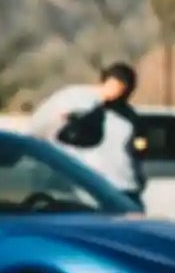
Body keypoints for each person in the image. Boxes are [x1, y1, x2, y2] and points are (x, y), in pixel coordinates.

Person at [31, 62, 146, 207]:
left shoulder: (129, 117)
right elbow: (38, 131)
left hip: (123, 187)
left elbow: (138, 148)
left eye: (123, 89)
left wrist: (139, 165)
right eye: (115, 86)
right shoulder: (75, 100)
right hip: (81, 187)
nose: (116, 93)